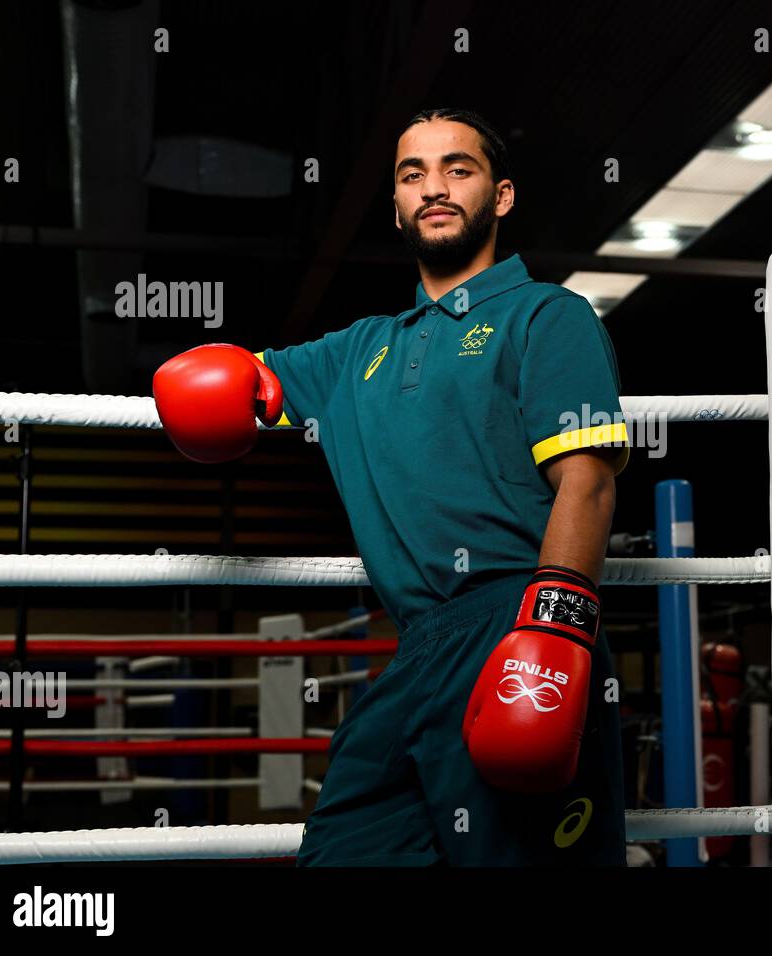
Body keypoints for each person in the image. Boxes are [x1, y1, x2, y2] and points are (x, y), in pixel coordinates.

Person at [152, 108, 629, 866]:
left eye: (458, 169)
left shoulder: (548, 315)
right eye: (413, 175)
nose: (434, 188)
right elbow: (237, 380)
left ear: (500, 196)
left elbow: (589, 486)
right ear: (398, 207)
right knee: (346, 847)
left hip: (518, 621)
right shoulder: (360, 351)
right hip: (417, 653)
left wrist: (554, 631)